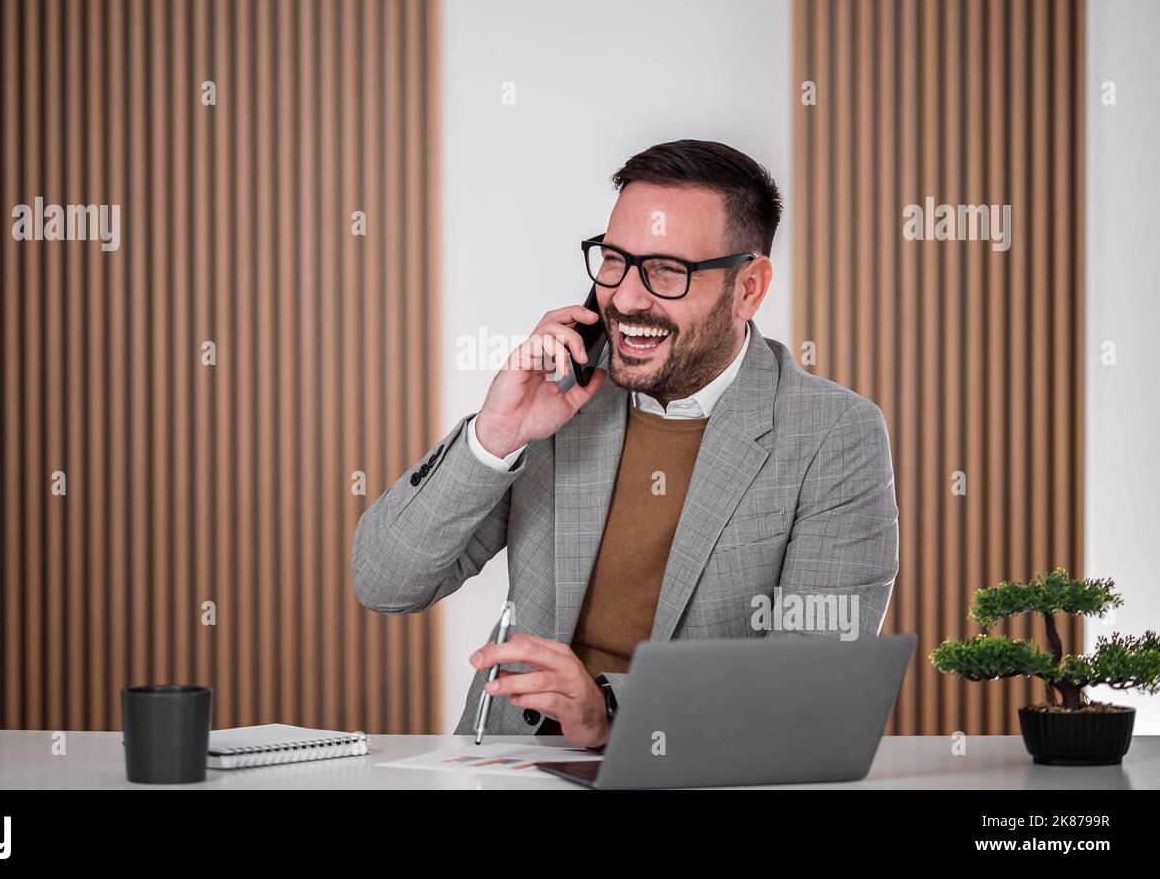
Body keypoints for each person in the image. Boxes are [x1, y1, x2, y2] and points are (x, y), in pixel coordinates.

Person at [352, 138, 899, 748]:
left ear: (748, 287)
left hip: (703, 775)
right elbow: (386, 582)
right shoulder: (562, 394)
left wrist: (610, 710)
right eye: (615, 261)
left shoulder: (832, 434)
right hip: (513, 762)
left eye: (667, 271)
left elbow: (815, 679)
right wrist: (496, 435)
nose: (628, 299)